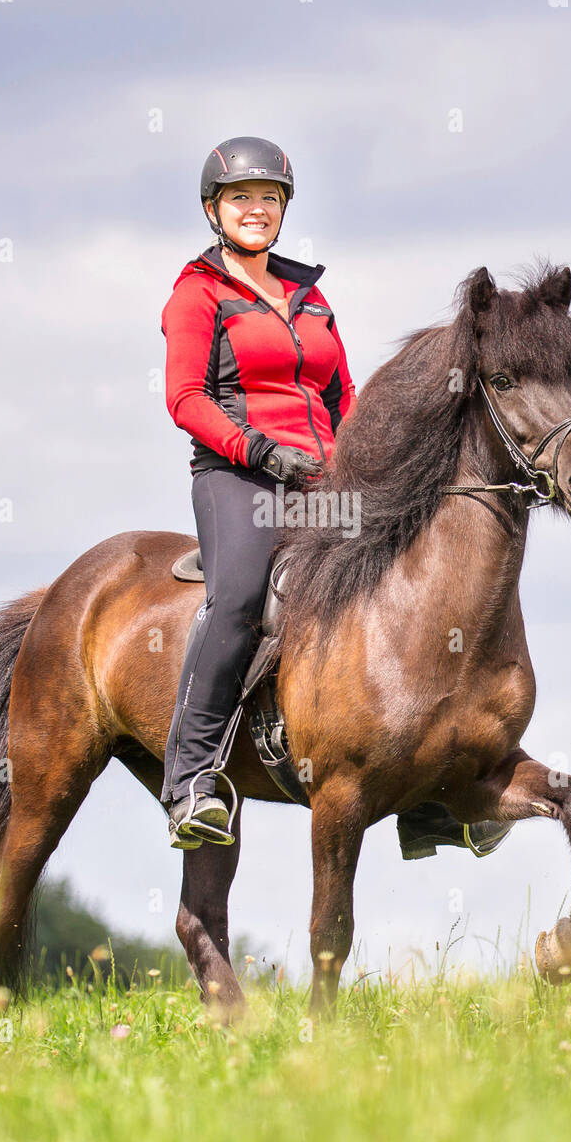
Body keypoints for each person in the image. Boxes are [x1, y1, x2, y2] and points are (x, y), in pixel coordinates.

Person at [160, 136, 357, 849]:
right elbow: (184, 398)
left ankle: (428, 788)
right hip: (236, 474)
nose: (256, 209)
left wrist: (357, 461)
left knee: (401, 576)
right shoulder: (197, 293)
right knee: (239, 596)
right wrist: (261, 449)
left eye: (268, 198)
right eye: (241, 197)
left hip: (321, 481)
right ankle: (189, 782)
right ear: (214, 209)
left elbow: (342, 393)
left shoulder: (311, 294)